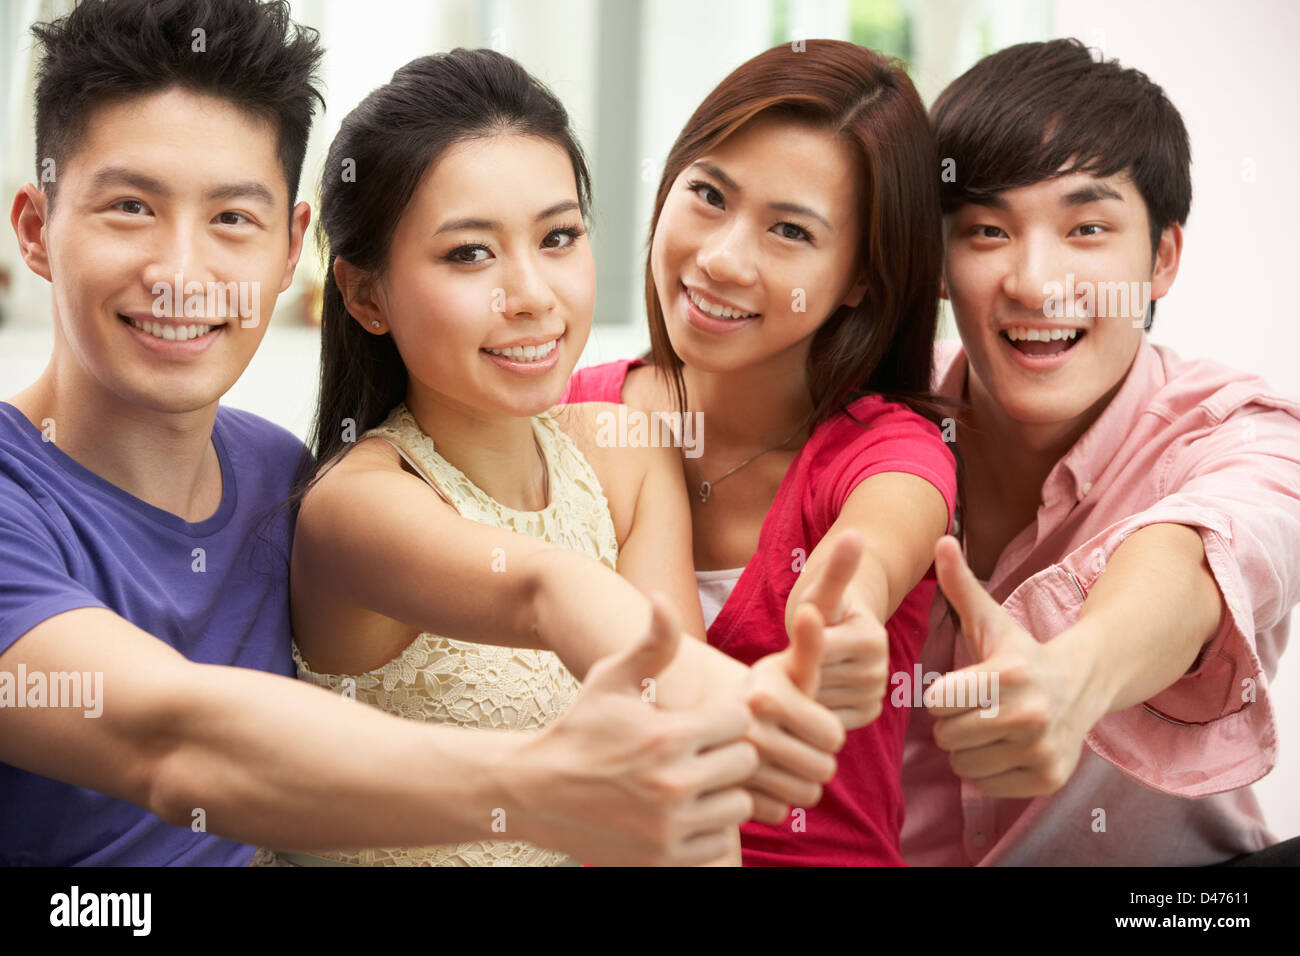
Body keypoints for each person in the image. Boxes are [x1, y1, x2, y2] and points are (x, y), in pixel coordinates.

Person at [0, 0, 776, 868]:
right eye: (131, 208)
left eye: (231, 219)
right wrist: (541, 789)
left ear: (292, 247)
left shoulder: (272, 476)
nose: (182, 276)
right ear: (35, 229)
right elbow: (171, 741)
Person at [252, 47, 853, 867]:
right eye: (470, 253)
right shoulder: (358, 504)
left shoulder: (624, 455)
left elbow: (670, 758)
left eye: (559, 236)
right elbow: (545, 591)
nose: (532, 293)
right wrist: (744, 706)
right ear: (365, 295)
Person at [900, 38, 1300, 865]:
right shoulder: (876, 424)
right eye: (985, 230)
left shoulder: (1244, 433)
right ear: (937, 263)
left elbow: (1197, 553)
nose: (1036, 282)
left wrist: (1073, 676)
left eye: (1086, 227)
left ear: (1161, 259)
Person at [563, 40, 959, 865]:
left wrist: (848, 619)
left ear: (860, 278)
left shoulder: (886, 449)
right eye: (708, 194)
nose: (720, 259)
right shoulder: (569, 410)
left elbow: (884, 537)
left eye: (789, 230)